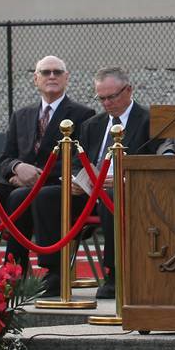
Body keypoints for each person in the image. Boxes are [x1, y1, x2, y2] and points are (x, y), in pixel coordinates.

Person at [0, 56, 96, 294]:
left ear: (66, 78)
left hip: (59, 187)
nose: (52, 76)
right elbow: (4, 159)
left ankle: (26, 270)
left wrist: (38, 175)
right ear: (35, 79)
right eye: (46, 72)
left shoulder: (83, 114)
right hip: (21, 183)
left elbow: (80, 160)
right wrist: (17, 168)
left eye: (57, 72)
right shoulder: (22, 115)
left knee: (23, 196)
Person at [63, 66, 151, 300]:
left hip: (128, 191)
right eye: (101, 98)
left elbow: (154, 161)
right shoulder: (93, 124)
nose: (107, 103)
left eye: (112, 96)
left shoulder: (148, 121)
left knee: (112, 197)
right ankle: (53, 272)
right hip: (91, 190)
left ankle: (114, 275)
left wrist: (124, 178)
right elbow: (76, 161)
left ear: (129, 90)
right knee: (48, 197)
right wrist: (76, 180)